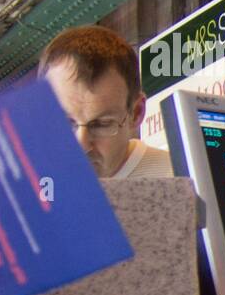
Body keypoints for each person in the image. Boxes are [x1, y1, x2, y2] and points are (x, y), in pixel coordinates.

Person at [38, 25, 172, 180]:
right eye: (65, 123)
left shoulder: (186, 184)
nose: (81, 145)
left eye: (102, 124)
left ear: (136, 113)